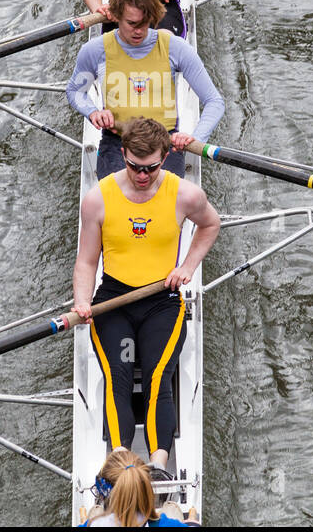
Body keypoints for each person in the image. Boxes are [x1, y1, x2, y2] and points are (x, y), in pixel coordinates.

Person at [72, 117, 222, 477]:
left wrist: (187, 267)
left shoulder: (186, 194)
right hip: (114, 302)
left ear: (165, 157)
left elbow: (211, 224)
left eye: (151, 168)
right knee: (118, 376)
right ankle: (120, 465)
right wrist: (82, 301)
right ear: (123, 153)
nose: (143, 175)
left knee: (158, 376)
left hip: (162, 301)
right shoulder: (97, 199)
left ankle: (158, 467)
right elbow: (87, 261)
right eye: (134, 166)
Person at [66, 0, 224, 179]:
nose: (139, 31)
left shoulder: (175, 47)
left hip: (165, 143)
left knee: (163, 198)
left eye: (144, 22)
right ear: (116, 17)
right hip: (117, 142)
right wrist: (93, 112)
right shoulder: (95, 50)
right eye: (132, 24)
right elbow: (75, 91)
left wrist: (195, 138)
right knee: (119, 198)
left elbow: (214, 101)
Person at [80, 450, 191, 528]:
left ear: (103, 494)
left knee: (95, 511)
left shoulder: (92, 524)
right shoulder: (170, 525)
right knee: (170, 508)